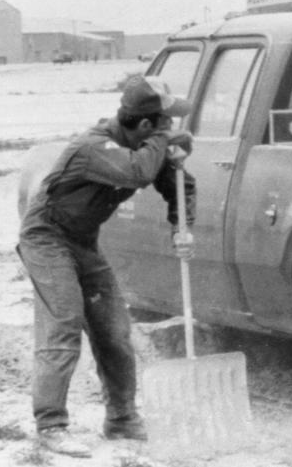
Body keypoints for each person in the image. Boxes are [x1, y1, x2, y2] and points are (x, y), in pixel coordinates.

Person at [16, 75, 196, 458]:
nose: (172, 128)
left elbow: (180, 184)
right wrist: (166, 144)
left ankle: (122, 419)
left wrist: (182, 226)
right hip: (46, 237)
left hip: (82, 242)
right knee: (64, 321)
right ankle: (51, 424)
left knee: (114, 330)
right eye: (166, 123)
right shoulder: (94, 146)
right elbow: (137, 172)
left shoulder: (146, 147)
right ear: (146, 125)